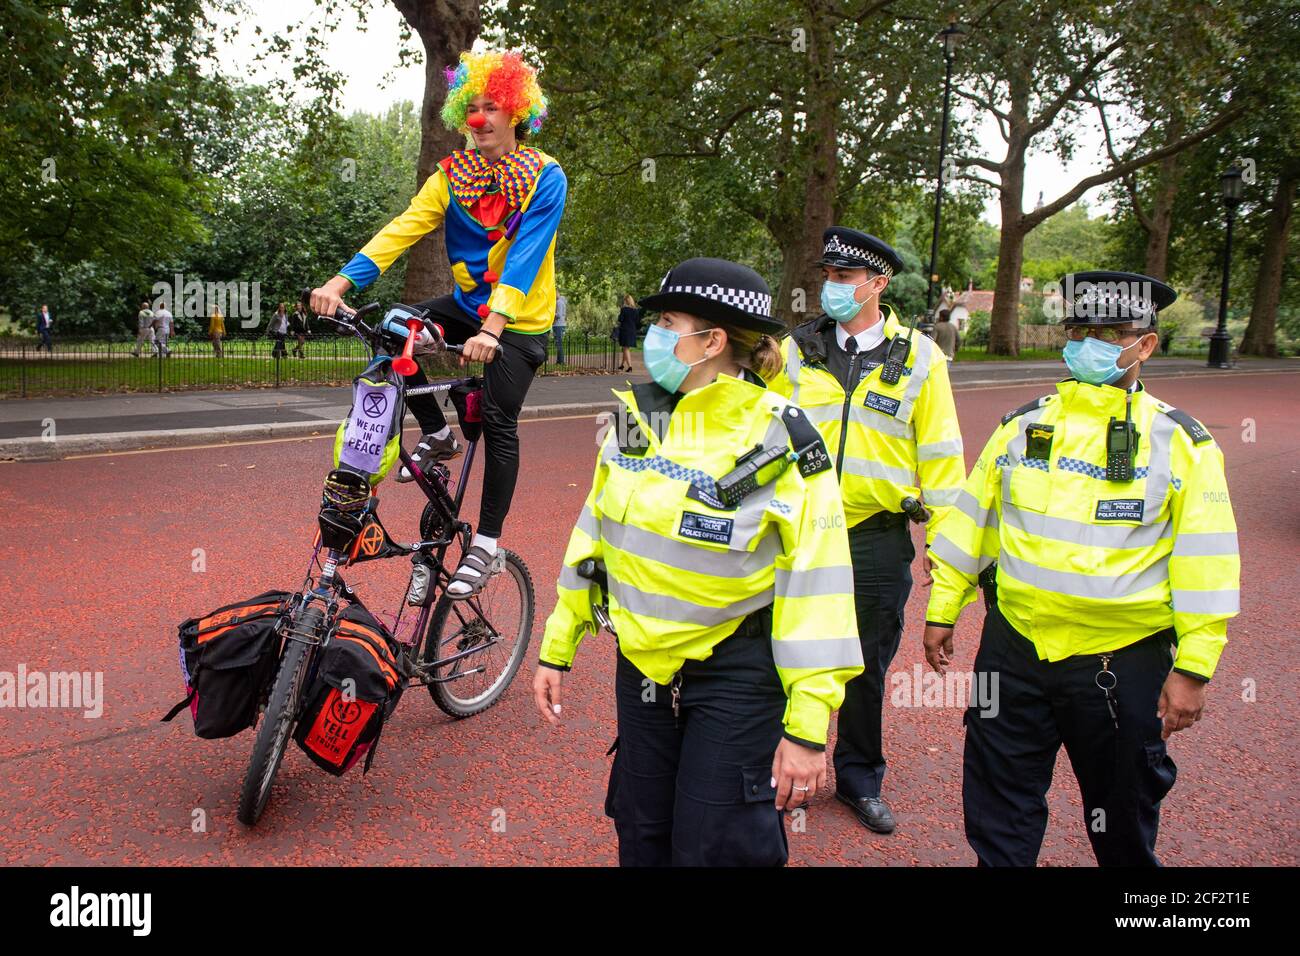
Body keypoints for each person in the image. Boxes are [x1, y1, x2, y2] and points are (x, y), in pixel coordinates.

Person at [533, 258, 863, 866]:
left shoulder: (783, 438)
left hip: (736, 669)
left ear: (711, 341)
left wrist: (807, 727)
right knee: (642, 826)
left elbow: (817, 584)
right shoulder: (637, 420)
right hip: (642, 667)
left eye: (666, 322)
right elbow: (595, 535)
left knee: (716, 844)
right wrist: (560, 642)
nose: (651, 335)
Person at [923, 271, 1241, 866]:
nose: (1090, 343)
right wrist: (943, 609)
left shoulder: (1181, 443)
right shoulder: (1022, 429)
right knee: (998, 810)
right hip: (1014, 649)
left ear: (1145, 344)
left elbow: (1207, 562)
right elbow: (973, 524)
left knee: (1122, 817)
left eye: (1110, 332)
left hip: (1120, 659)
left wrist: (1195, 666)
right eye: (1080, 330)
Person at [310, 49, 565, 600]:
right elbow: (404, 228)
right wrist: (340, 283)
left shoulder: (546, 176)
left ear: (516, 112)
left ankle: (488, 544)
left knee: (498, 418)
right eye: (470, 108)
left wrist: (493, 330)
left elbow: (524, 257)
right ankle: (439, 433)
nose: (478, 119)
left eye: (491, 106)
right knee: (392, 331)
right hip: (467, 309)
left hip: (518, 322)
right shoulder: (452, 176)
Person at [764, 227, 966, 835]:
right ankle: (786, 770)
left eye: (845, 279)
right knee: (782, 651)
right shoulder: (794, 351)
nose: (831, 288)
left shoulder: (922, 359)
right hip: (798, 530)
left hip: (875, 537)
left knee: (865, 663)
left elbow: (943, 463)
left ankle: (859, 778)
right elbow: (759, 431)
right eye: (827, 277)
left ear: (879, 284)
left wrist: (947, 560)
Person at [615, 293, 641, 372]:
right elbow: (637, 321)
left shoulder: (624, 309)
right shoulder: (635, 310)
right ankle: (622, 365)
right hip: (632, 330)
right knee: (625, 348)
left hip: (625, 330)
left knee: (625, 348)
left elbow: (620, 319)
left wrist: (621, 313)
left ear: (625, 301)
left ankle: (630, 366)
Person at [553, 293, 568, 364]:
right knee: (559, 343)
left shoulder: (558, 302)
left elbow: (558, 315)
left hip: (558, 325)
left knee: (559, 344)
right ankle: (559, 361)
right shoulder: (562, 302)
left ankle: (561, 361)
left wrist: (552, 313)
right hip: (561, 325)